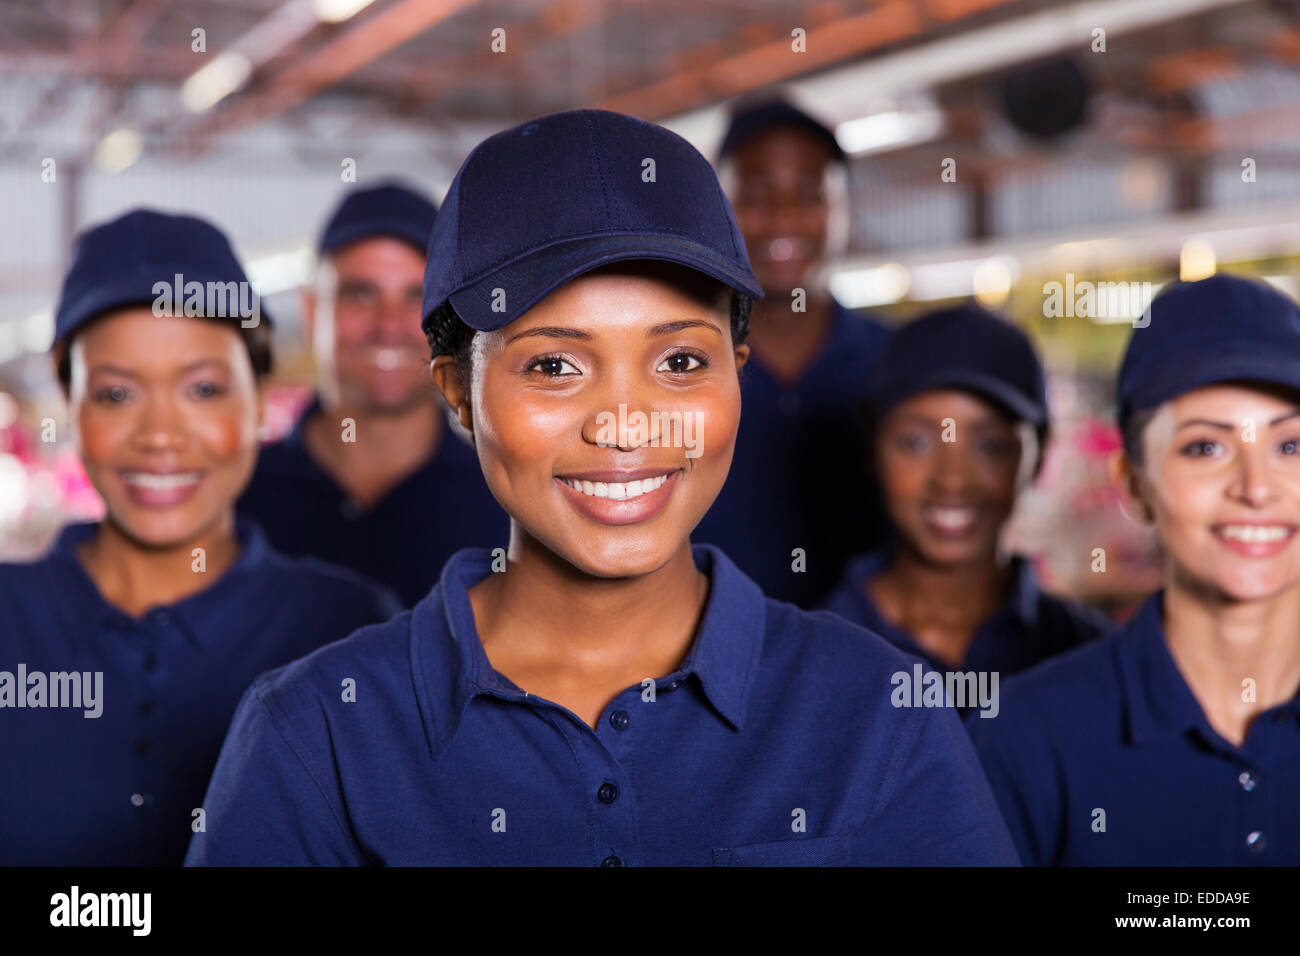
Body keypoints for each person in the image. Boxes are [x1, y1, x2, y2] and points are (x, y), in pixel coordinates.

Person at [186, 110, 1018, 866]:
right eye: (553, 365)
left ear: (738, 370)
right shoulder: (317, 734)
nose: (627, 425)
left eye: (680, 362)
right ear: (456, 391)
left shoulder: (876, 710)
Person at [0, 209, 399, 866]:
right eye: (117, 394)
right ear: (70, 403)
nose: (160, 435)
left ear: (257, 400)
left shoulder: (353, 630)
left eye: (203, 388)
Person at [968, 273, 1300, 865]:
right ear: (1134, 484)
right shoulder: (1025, 738)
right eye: (1206, 447)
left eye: (1289, 447)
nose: (1256, 489)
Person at [238, 183, 508, 605]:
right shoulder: (234, 497)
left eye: (417, 297)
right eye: (361, 294)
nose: (389, 325)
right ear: (312, 311)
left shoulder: (507, 504)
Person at [820, 304, 1108, 684]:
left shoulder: (1093, 658)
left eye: (991, 445)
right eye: (915, 442)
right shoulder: (811, 657)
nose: (953, 481)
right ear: (872, 449)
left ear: (1038, 457)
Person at [691, 98, 890, 607]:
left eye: (810, 194)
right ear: (719, 210)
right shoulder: (671, 371)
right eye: (756, 194)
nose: (783, 216)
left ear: (842, 210)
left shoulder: (897, 367)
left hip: (866, 674)